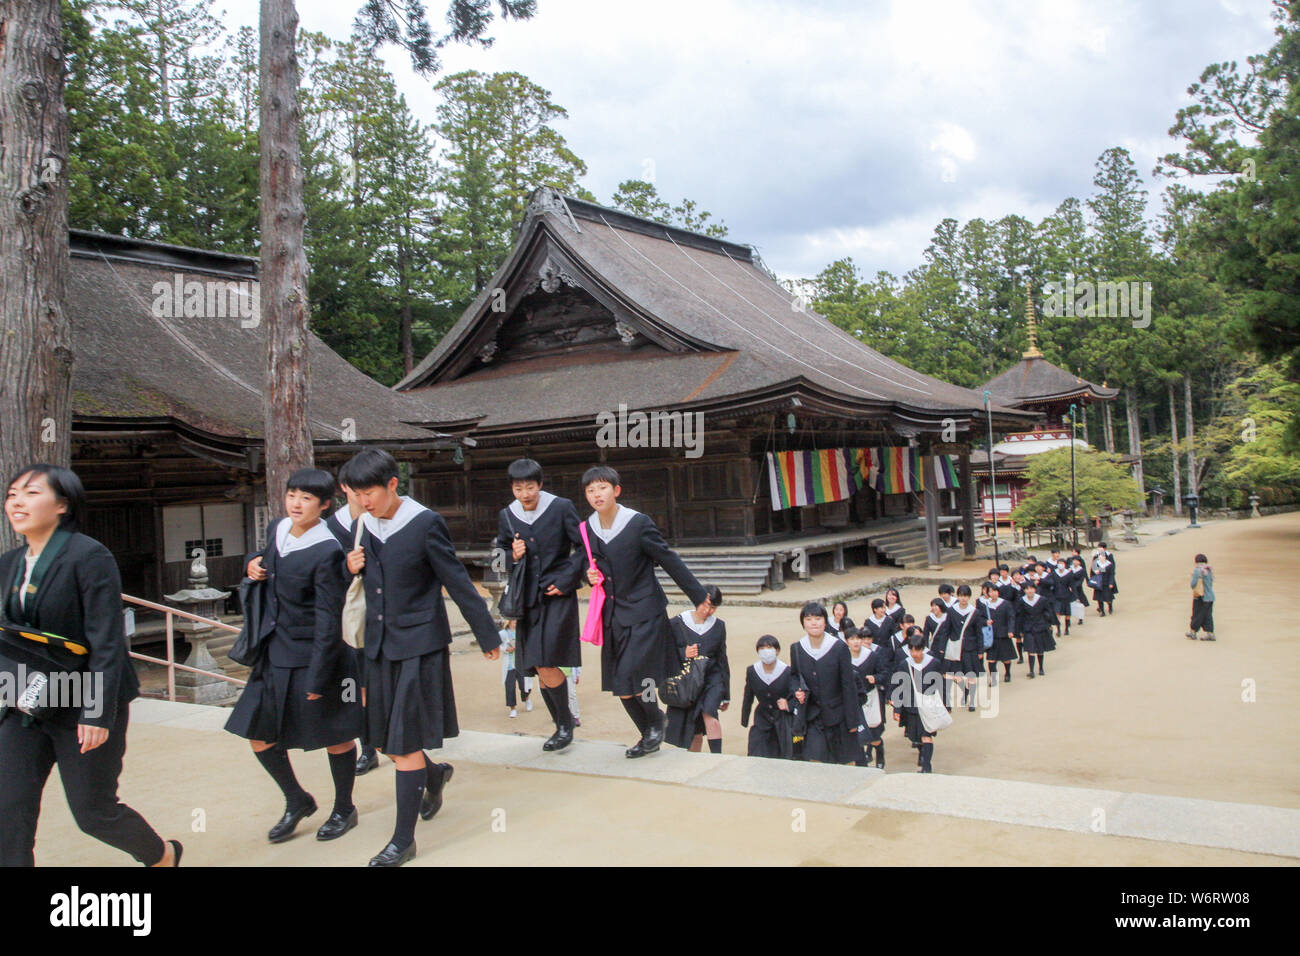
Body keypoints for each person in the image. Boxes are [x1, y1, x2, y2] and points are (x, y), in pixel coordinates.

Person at [0, 465, 181, 866]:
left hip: (85, 700)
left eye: (30, 493)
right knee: (7, 814)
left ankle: (161, 855)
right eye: (12, 494)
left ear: (62, 504)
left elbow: (107, 641)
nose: (17, 502)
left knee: (94, 813)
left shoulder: (89, 556)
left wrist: (97, 713)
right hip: (26, 701)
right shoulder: (8, 563)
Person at [343, 448, 502, 867]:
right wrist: (351, 566)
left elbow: (456, 579)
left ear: (393, 483)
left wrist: (487, 633)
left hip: (419, 645)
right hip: (378, 646)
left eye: (370, 491)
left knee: (405, 742)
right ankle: (435, 775)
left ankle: (403, 840)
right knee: (388, 743)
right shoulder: (363, 526)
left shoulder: (425, 523)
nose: (364, 500)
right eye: (357, 493)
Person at [226, 468, 362, 844]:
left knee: (336, 734)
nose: (296, 503)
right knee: (256, 732)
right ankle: (296, 798)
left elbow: (327, 619)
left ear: (323, 505)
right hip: (274, 650)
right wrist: (252, 561)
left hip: (317, 656)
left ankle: (344, 808)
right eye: (291, 495)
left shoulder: (328, 550)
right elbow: (268, 557)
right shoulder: (278, 529)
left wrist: (319, 677)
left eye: (306, 498)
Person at [580, 466, 710, 758]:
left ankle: (654, 724)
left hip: (645, 610)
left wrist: (698, 595)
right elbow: (582, 562)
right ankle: (650, 731)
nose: (596, 494)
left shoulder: (638, 523)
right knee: (622, 686)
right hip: (612, 614)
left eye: (602, 487)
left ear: (616, 490)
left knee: (638, 678)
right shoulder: (588, 528)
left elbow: (668, 558)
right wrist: (586, 575)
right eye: (590, 490)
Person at [494, 459, 585, 752]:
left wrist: (568, 578)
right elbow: (499, 556)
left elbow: (583, 546)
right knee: (534, 664)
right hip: (527, 600)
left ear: (540, 484)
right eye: (518, 488)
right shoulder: (507, 515)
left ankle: (564, 725)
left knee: (545, 660)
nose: (524, 494)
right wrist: (513, 555)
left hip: (557, 594)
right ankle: (562, 723)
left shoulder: (561, 507)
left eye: (530, 487)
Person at [325, 469, 380, 776]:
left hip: (380, 615)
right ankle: (368, 746)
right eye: (354, 488)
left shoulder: (384, 520)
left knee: (378, 685)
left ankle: (391, 743)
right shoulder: (331, 527)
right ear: (344, 487)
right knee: (355, 686)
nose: (362, 496)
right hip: (345, 616)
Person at [789, 602, 862, 764]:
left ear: (825, 621)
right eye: (808, 619)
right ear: (803, 623)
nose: (813, 623)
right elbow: (794, 676)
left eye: (818, 618)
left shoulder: (839, 647)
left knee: (845, 763)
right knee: (815, 759)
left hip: (839, 715)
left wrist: (852, 720)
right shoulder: (797, 649)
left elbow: (848, 685)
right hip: (813, 715)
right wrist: (797, 690)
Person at [664, 585, 730, 753]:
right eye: (705, 605)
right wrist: (683, 653)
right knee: (694, 727)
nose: (708, 610)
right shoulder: (677, 623)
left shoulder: (719, 626)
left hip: (712, 680)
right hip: (689, 682)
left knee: (710, 714)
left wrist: (726, 695)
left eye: (713, 607)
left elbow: (722, 659)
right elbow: (664, 651)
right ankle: (695, 760)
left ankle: (717, 755)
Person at [890, 629, 945, 773]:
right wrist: (897, 709)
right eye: (912, 650)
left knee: (926, 735)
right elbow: (900, 687)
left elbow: (941, 685)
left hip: (929, 705)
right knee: (915, 736)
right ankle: (922, 754)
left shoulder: (933, 663)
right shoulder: (904, 664)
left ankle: (927, 766)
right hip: (911, 706)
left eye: (918, 650)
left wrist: (945, 704)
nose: (915, 654)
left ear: (923, 649)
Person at [739, 636, 799, 759]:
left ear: (777, 650)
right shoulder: (753, 671)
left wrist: (788, 704)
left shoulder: (787, 671)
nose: (766, 651)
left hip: (782, 721)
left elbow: (795, 696)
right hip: (762, 719)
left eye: (769, 647)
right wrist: (744, 718)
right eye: (762, 648)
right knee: (757, 754)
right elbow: (748, 696)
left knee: (784, 757)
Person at [845, 626, 890, 769]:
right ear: (847, 641)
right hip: (852, 700)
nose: (856, 642)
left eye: (858, 638)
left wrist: (875, 678)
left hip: (871, 696)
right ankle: (860, 760)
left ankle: (879, 752)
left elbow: (884, 673)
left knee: (874, 732)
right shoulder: (843, 658)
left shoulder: (871, 656)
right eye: (852, 639)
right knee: (855, 733)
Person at [931, 584, 981, 711]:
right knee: (950, 675)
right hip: (954, 647)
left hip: (970, 648)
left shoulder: (975, 612)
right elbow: (946, 630)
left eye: (966, 596)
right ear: (957, 596)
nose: (963, 598)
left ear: (969, 597)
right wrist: (942, 646)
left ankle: (972, 701)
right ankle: (948, 703)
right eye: (961, 596)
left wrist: (980, 650)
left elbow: (979, 632)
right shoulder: (952, 611)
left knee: (971, 675)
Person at [1016, 580, 1056, 678]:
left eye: (1031, 588)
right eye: (1027, 589)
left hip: (1040, 626)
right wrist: (1020, 630)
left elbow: (1048, 612)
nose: (1029, 591)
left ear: (1034, 589)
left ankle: (1041, 668)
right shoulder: (1022, 601)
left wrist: (1048, 623)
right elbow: (1020, 616)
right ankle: (1031, 670)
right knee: (1030, 649)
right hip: (1028, 627)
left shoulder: (1042, 600)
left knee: (1040, 649)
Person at [980, 581, 1017, 686]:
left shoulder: (1005, 604)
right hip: (991, 636)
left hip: (1004, 634)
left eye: (995, 591)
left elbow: (1011, 618)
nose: (993, 593)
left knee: (1006, 658)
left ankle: (1007, 673)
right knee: (991, 659)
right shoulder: (985, 605)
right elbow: (980, 618)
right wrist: (985, 622)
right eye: (990, 592)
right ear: (987, 594)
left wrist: (1010, 630)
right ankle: (993, 679)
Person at [499, 620, 533, 718]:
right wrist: (506, 649)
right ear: (509, 622)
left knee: (524, 685)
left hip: (521, 663)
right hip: (509, 665)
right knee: (510, 687)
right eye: (514, 621)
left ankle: (526, 699)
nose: (516, 623)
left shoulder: (521, 632)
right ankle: (513, 708)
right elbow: (499, 645)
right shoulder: (503, 633)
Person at [1187, 554, 1215, 641]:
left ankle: (1193, 632)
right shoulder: (1209, 569)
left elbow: (1193, 584)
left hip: (1201, 597)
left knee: (1197, 615)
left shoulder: (1198, 570)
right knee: (1208, 616)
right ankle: (1210, 633)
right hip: (1210, 597)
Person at [1050, 558, 1075, 635]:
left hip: (1066, 595)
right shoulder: (1054, 573)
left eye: (1062, 563)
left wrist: (1075, 596)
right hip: (1056, 596)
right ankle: (1058, 629)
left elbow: (1072, 586)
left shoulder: (1069, 574)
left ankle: (1066, 628)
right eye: (1059, 563)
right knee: (1057, 613)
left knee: (1067, 614)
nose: (1060, 565)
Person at [1090, 549, 1116, 617]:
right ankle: (1102, 611)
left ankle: (1110, 606)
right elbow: (1092, 572)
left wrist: (1111, 583)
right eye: (1100, 556)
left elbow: (1111, 574)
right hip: (1098, 583)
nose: (1101, 557)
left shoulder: (1109, 565)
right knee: (1099, 598)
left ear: (1105, 557)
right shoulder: (1095, 563)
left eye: (1102, 556)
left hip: (1106, 583)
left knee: (1108, 598)